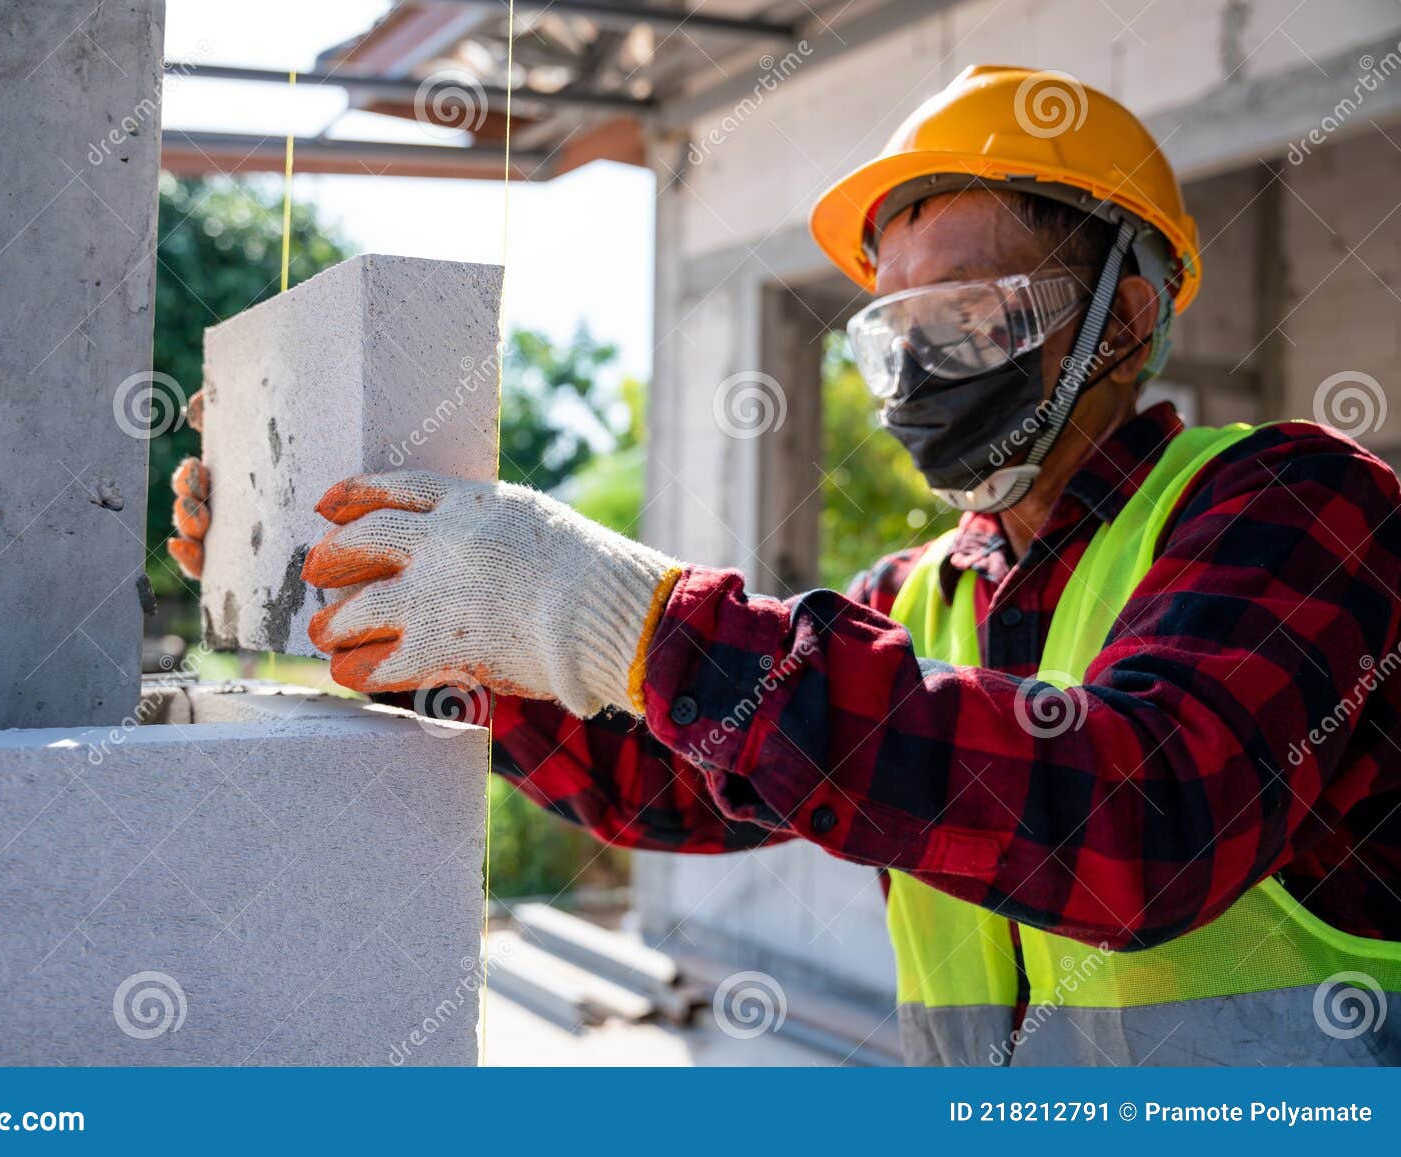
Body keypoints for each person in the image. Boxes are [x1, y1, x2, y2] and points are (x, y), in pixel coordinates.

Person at [168, 65, 1401, 1066]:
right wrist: (434, 628)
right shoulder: (921, 595)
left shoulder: (1297, 500)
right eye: (896, 327)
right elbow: (666, 779)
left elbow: (1150, 819)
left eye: (966, 312)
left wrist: (641, 622)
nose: (920, 366)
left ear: (1124, 317)